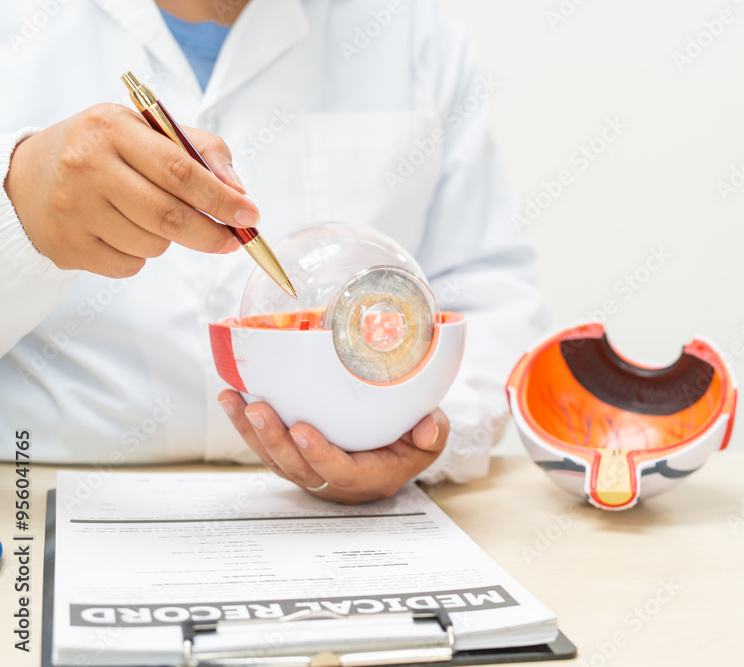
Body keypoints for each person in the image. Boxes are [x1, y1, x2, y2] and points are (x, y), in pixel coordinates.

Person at [0, 0, 545, 503]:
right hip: (37, 495)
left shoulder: (411, 34)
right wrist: (16, 214)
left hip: (360, 521)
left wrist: (415, 436)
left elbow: (488, 289)